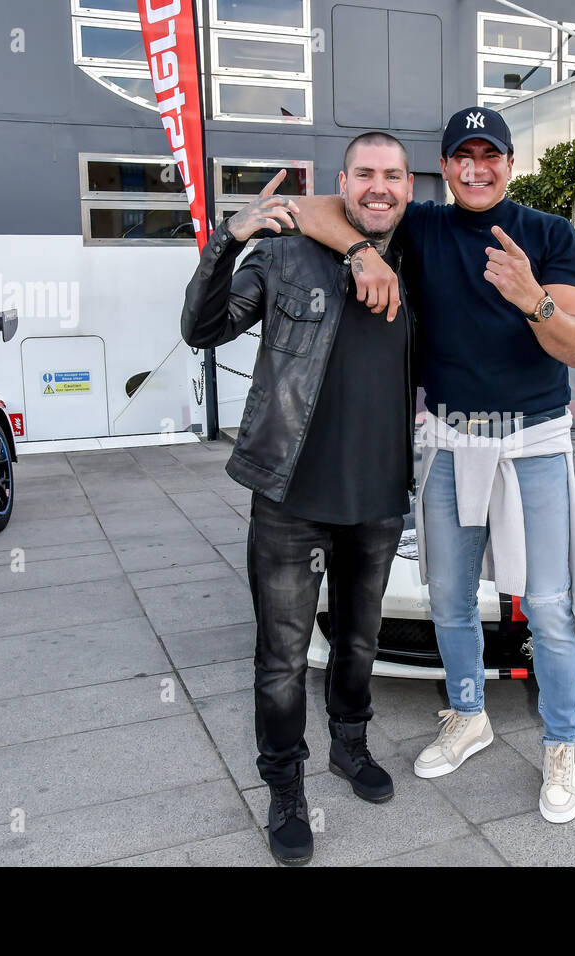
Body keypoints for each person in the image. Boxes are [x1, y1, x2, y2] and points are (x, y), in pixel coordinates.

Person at [287, 107, 575, 824]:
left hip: (535, 442)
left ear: (510, 165)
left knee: (548, 606)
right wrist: (363, 255)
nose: (476, 168)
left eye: (490, 156)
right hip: (452, 443)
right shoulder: (421, 227)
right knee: (449, 599)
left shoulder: (548, 234)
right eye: (463, 156)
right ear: (446, 166)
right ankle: (468, 715)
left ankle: (561, 745)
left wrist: (533, 299)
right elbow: (305, 209)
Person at [180, 132, 416, 864]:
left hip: (378, 493)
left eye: (394, 176)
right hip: (290, 495)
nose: (380, 188)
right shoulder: (283, 254)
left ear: (410, 186)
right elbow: (202, 328)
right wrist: (228, 237)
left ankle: (350, 744)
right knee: (281, 658)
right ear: (342, 181)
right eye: (366, 174)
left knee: (359, 640)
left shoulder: (423, 256)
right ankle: (285, 785)